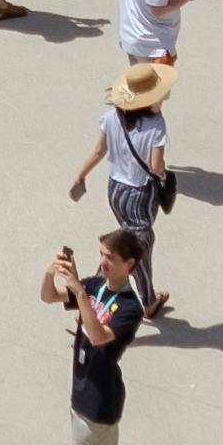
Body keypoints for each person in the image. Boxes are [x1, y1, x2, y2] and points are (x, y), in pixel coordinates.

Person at [46, 228, 146, 445]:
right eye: (102, 254)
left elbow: (99, 336)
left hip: (99, 397)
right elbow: (48, 297)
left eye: (111, 258)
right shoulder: (96, 285)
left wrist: (79, 292)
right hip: (86, 389)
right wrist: (53, 273)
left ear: (129, 264)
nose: (103, 262)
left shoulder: (130, 307)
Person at [74, 56, 178, 321]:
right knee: (132, 250)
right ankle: (92, 300)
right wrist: (164, 176)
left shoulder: (112, 117)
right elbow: (156, 166)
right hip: (140, 194)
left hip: (116, 190)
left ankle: (145, 298)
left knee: (130, 244)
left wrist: (81, 176)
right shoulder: (156, 125)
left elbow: (99, 150)